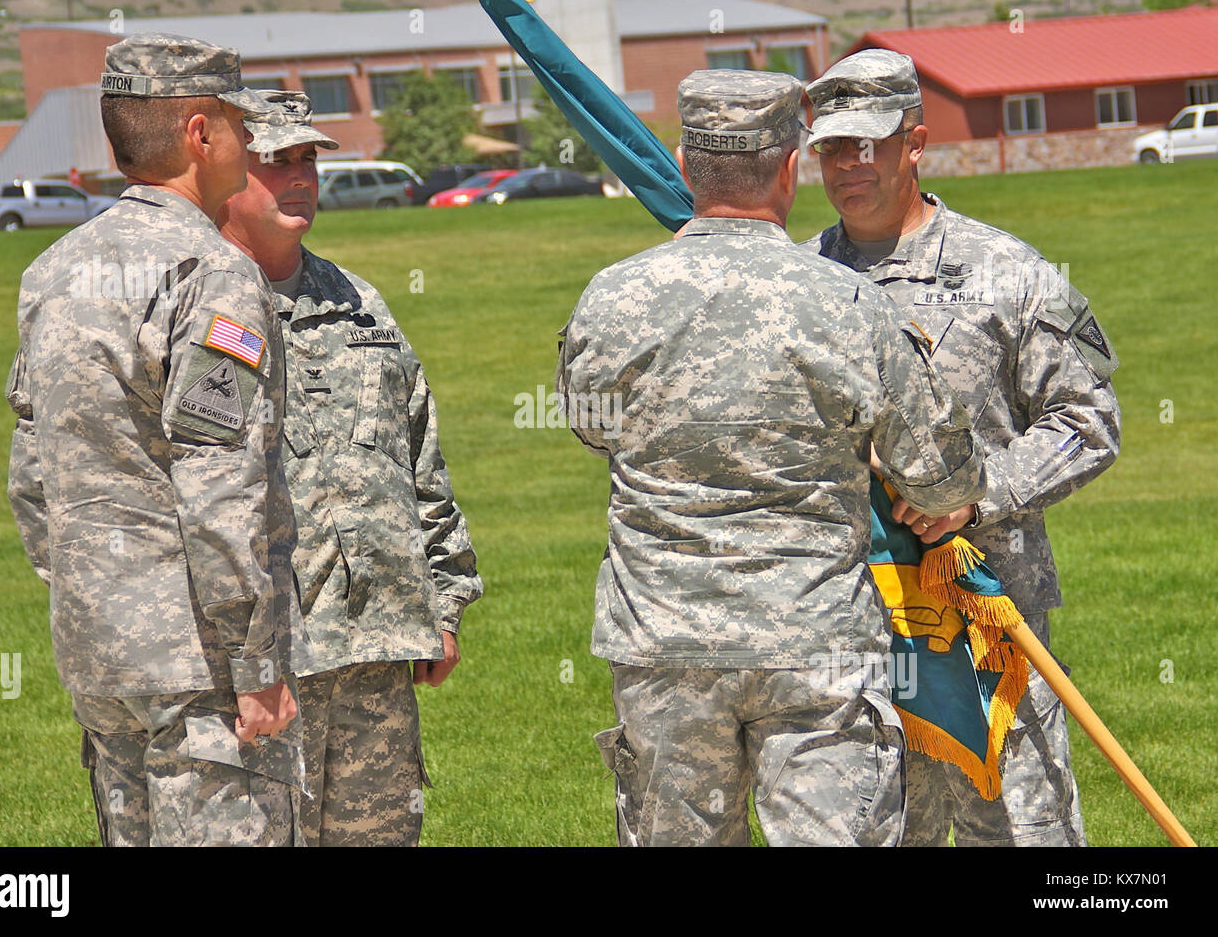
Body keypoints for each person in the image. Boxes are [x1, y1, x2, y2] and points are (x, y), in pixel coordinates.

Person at [556, 69, 986, 847]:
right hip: (814, 639)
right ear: (792, 167)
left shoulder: (611, 297)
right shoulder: (851, 302)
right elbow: (938, 474)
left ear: (686, 165)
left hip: (665, 642)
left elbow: (590, 428)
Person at [801, 49, 1121, 847]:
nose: (850, 164)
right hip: (852, 636)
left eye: (869, 144)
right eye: (833, 147)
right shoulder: (794, 284)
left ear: (916, 142)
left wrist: (980, 497)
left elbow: (1087, 419)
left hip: (988, 629)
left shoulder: (1005, 273)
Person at [6, 34, 305, 846]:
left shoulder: (55, 269)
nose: (251, 142)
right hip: (197, 663)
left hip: (98, 646)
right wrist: (254, 660)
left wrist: (87, 586)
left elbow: (31, 473)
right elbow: (219, 479)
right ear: (200, 133)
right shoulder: (211, 270)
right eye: (240, 123)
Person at [217, 91, 483, 847]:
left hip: (374, 645)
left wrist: (444, 601)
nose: (300, 177)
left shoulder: (359, 303)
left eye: (308, 159)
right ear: (233, 169)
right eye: (277, 161)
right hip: (269, 660)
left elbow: (418, 451)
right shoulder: (204, 306)